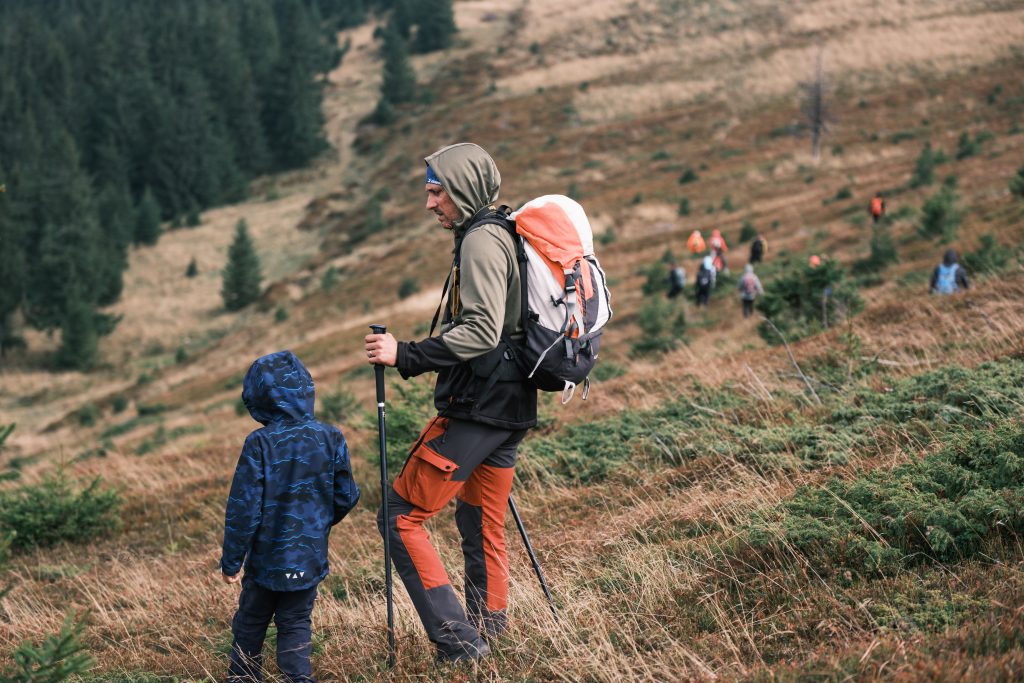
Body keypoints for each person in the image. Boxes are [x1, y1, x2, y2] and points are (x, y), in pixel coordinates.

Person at [364, 143, 536, 663]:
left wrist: (407, 355)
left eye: (437, 192)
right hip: (510, 402)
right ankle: (491, 630)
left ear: (461, 189)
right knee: (481, 517)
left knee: (399, 516)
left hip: (480, 405)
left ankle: (461, 645)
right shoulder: (498, 230)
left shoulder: (481, 241)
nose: (430, 203)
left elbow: (482, 330)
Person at [220, 350, 360, 682]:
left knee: (251, 621)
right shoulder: (331, 437)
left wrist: (231, 562)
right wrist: (317, 523)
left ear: (259, 397)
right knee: (295, 622)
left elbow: (244, 509)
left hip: (265, 561)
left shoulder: (259, 444)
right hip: (309, 557)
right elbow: (347, 495)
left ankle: (243, 678)